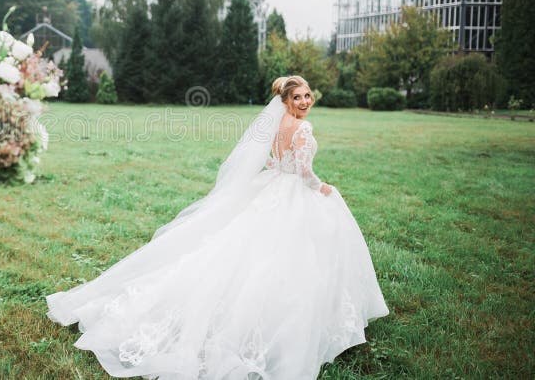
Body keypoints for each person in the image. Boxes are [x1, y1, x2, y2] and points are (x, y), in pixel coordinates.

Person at [46, 75, 389, 379]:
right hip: (292, 191)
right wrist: (323, 188)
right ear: (285, 100)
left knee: (250, 251)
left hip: (272, 186)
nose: (304, 102)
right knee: (289, 255)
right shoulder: (302, 128)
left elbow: (272, 159)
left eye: (307, 96)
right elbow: (303, 171)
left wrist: (281, 169)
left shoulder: (276, 124)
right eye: (297, 97)